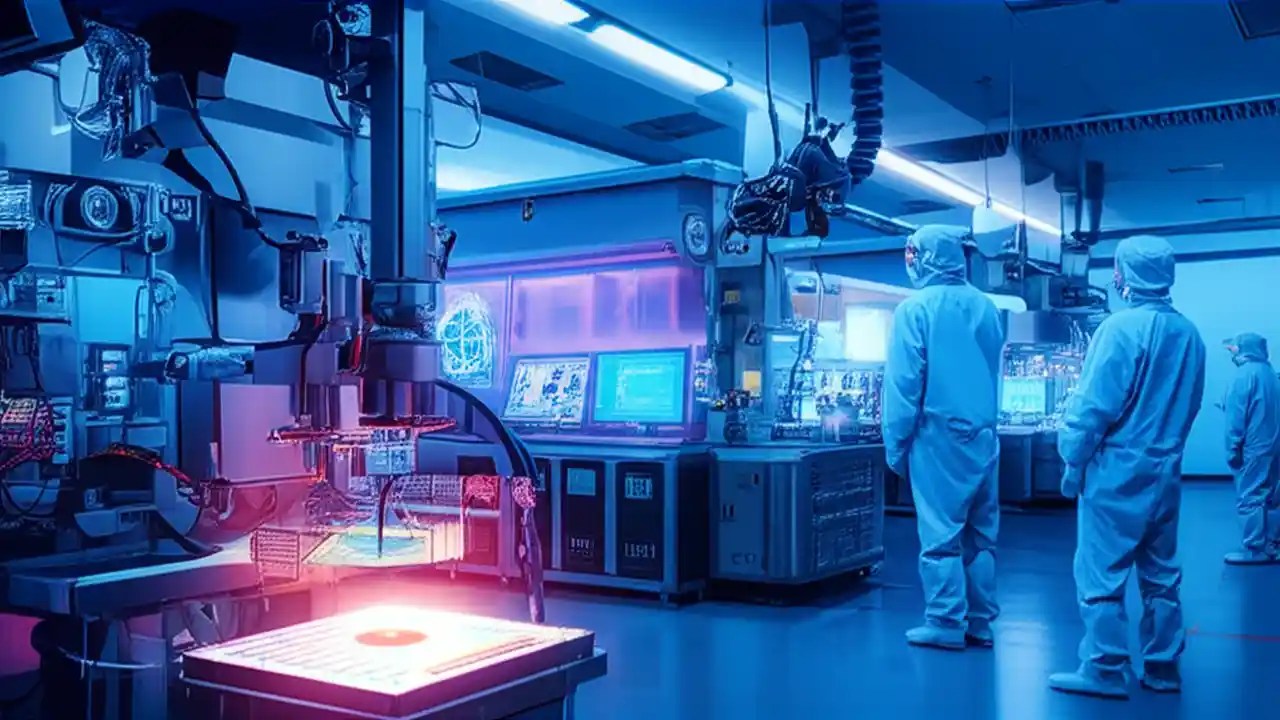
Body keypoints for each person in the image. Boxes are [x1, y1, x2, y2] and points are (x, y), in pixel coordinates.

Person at [1051, 235, 1206, 699]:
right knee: (1161, 573)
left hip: (1116, 472)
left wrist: (1073, 459)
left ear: (1126, 276)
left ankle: (1104, 667)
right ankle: (1162, 666)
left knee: (1100, 570)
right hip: (1165, 470)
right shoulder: (1189, 334)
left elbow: (1093, 405)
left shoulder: (1120, 329)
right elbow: (1190, 403)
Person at [882, 224, 1004, 651]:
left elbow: (903, 386)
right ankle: (981, 622)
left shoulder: (916, 310)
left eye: (913, 255)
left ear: (928, 256)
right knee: (981, 535)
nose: (910, 263)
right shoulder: (985, 307)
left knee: (940, 534)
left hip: (938, 436)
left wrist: (895, 445)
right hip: (985, 434)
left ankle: (945, 620)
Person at [1222, 332, 1280, 564]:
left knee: (1251, 496)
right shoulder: (1270, 374)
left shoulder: (1243, 376)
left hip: (1255, 446)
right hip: (1274, 444)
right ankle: (1273, 544)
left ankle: (1256, 549)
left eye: (1234, 349)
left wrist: (1232, 449)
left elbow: (1235, 419)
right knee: (1273, 497)